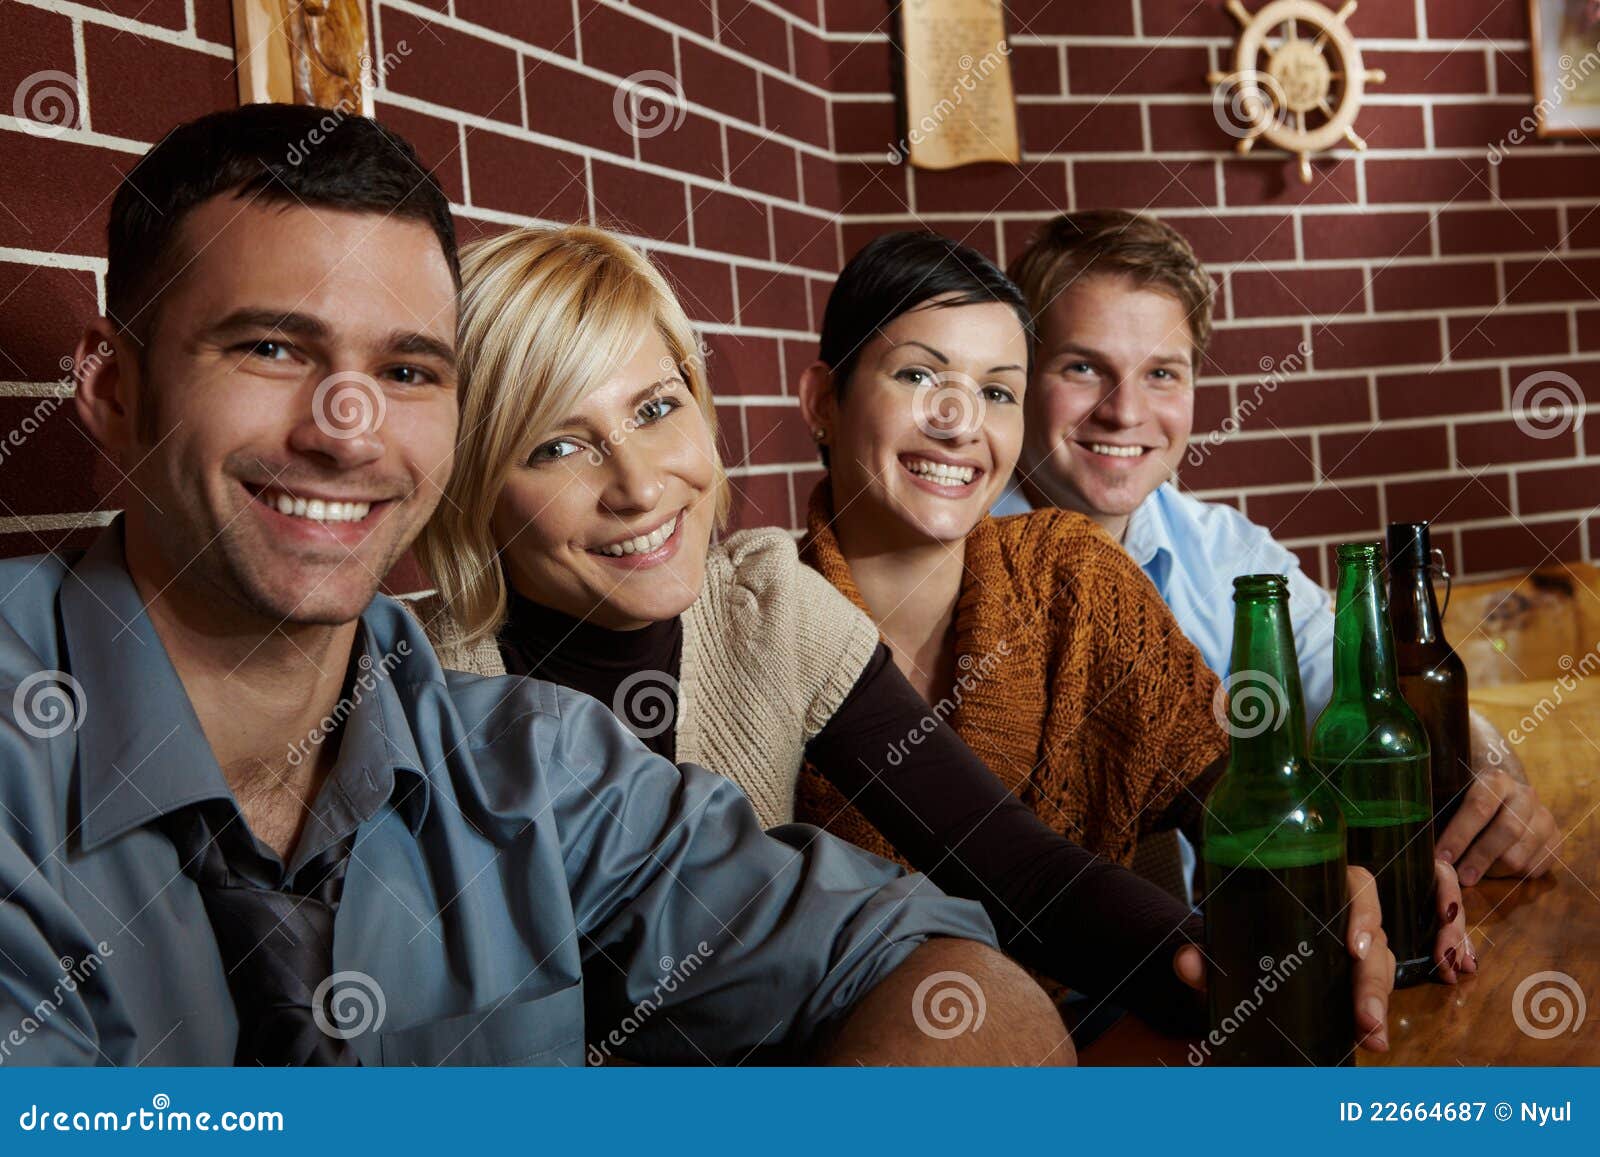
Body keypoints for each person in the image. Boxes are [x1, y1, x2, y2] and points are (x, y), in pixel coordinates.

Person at [0, 104, 1071, 1067]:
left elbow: (945, 979)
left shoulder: (535, 763)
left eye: (409, 370)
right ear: (113, 389)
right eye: (272, 347)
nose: (346, 428)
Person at [409, 222, 1303, 1037]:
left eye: (654, 409)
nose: (638, 485)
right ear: (474, 478)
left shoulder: (770, 606)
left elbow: (1013, 867)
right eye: (558, 446)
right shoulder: (418, 692)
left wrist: (1229, 965)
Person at [792, 231, 1475, 1039]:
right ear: (822, 401)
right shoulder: (765, 624)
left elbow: (1235, 775)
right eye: (918, 375)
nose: (958, 421)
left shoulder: (1080, 567)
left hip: (1132, 1016)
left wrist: (1338, 881)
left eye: (996, 390)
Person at [1002, 210, 1561, 889]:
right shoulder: (950, 567)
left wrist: (1490, 772)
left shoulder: (1231, 556)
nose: (1124, 411)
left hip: (1224, 961)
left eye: (1162, 374)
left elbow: (1368, 691)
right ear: (1020, 373)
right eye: (1084, 366)